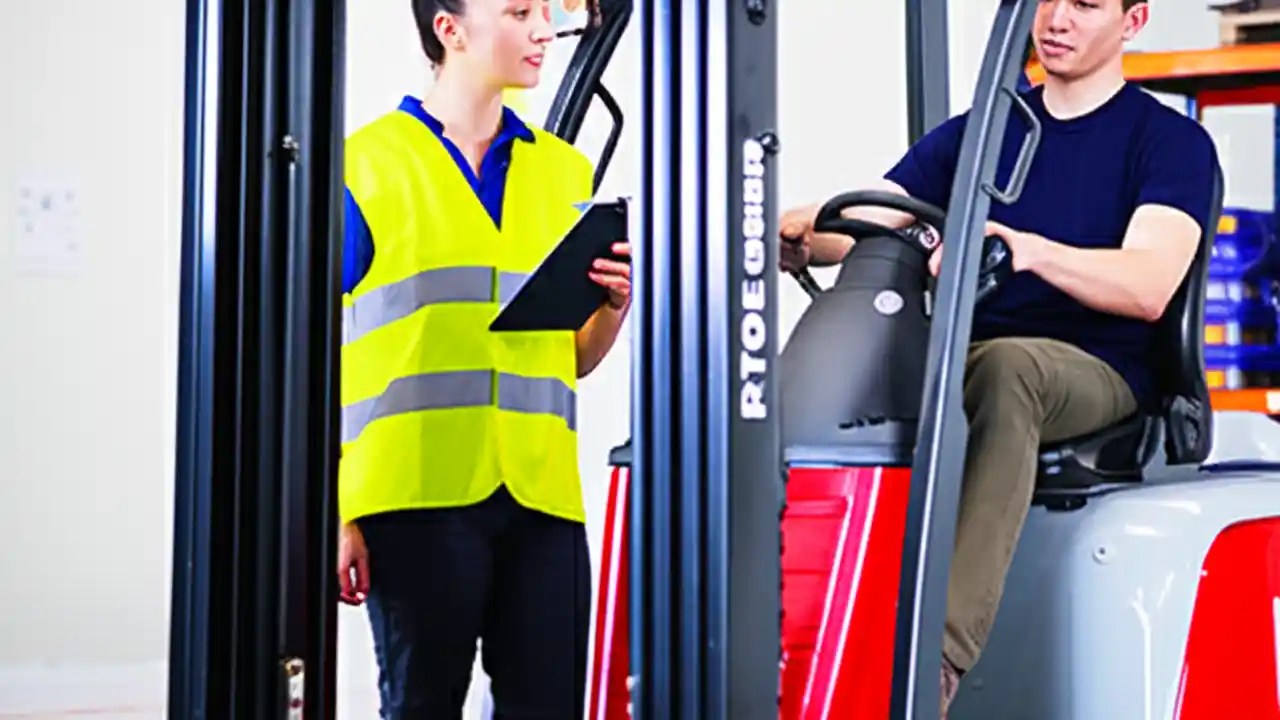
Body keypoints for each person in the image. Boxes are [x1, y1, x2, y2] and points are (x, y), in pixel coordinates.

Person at [778, 1, 1218, 717]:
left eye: (1085, 4)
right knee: (838, 372)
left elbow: (1147, 284)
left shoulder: (1167, 141)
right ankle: (804, 629)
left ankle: (935, 664)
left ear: (1133, 22)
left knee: (1010, 370)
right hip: (962, 350)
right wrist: (784, 226)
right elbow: (874, 217)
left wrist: (1027, 248)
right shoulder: (982, 132)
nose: (1057, 18)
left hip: (1093, 367)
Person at [334, 0, 631, 717]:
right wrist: (334, 511)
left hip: (542, 497)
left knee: (550, 705)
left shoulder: (564, 172)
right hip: (414, 495)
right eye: (517, 11)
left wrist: (615, 306)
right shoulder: (364, 165)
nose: (541, 31)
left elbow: (574, 359)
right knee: (422, 705)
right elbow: (305, 354)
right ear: (450, 28)